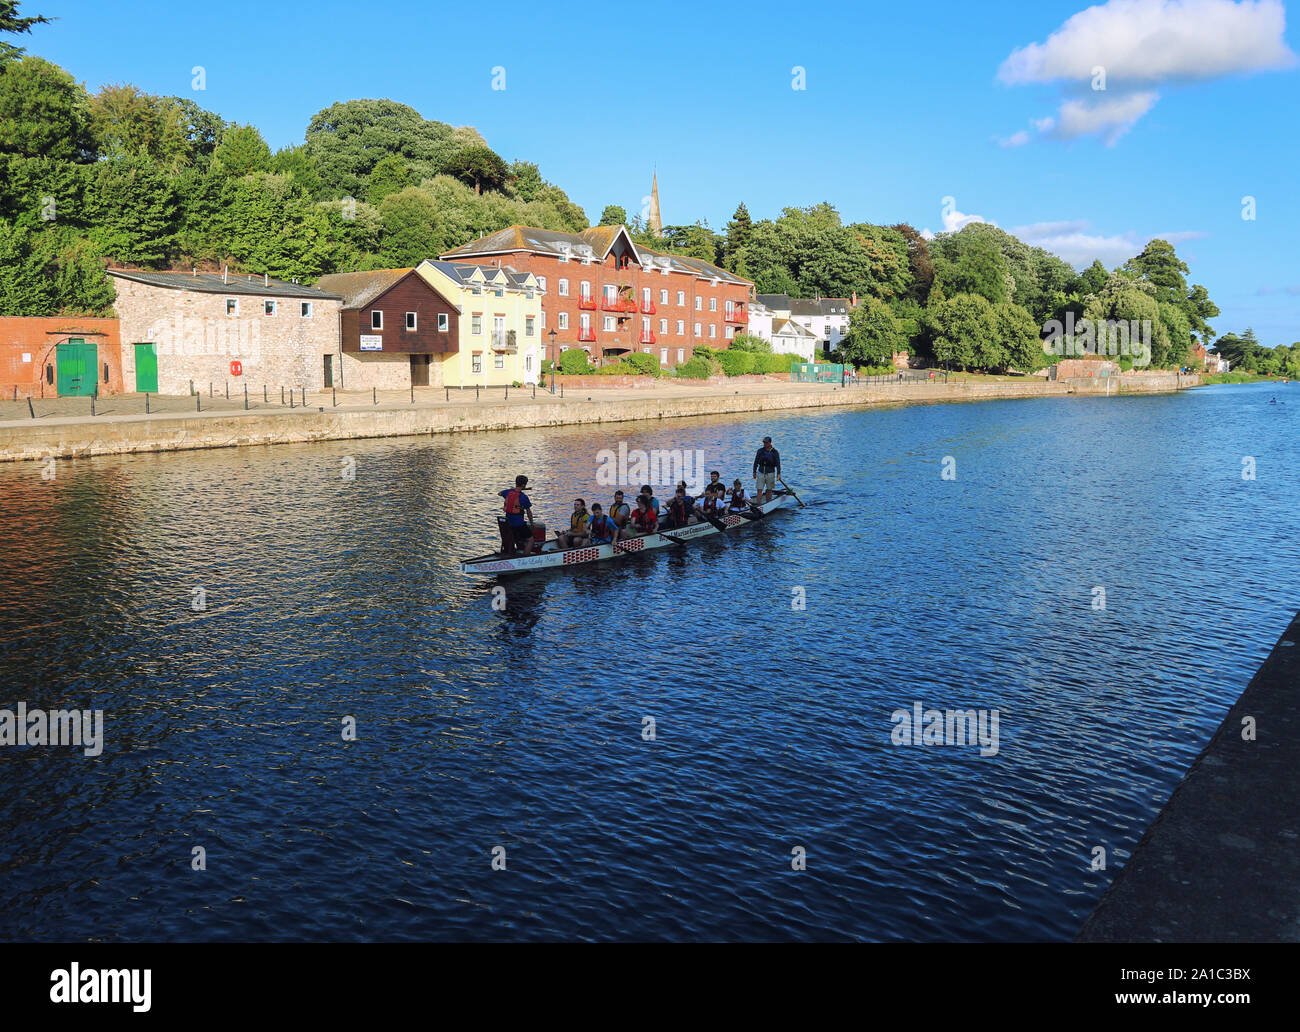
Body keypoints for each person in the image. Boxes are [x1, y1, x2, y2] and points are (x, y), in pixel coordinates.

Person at [498, 475, 535, 556]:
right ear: (523, 485)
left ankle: (513, 551)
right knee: (531, 540)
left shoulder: (507, 493)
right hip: (518, 525)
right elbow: (529, 512)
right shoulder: (523, 497)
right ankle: (525, 558)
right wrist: (532, 523)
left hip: (508, 525)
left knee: (516, 537)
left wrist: (512, 489)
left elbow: (499, 493)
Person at [753, 435, 781, 505]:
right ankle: (758, 504)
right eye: (764, 443)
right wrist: (754, 471)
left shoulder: (775, 452)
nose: (765, 444)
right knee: (759, 489)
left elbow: (778, 464)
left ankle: (768, 504)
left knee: (769, 490)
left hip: (770, 473)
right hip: (761, 472)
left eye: (766, 443)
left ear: (770, 443)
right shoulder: (760, 451)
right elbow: (756, 461)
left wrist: (778, 474)